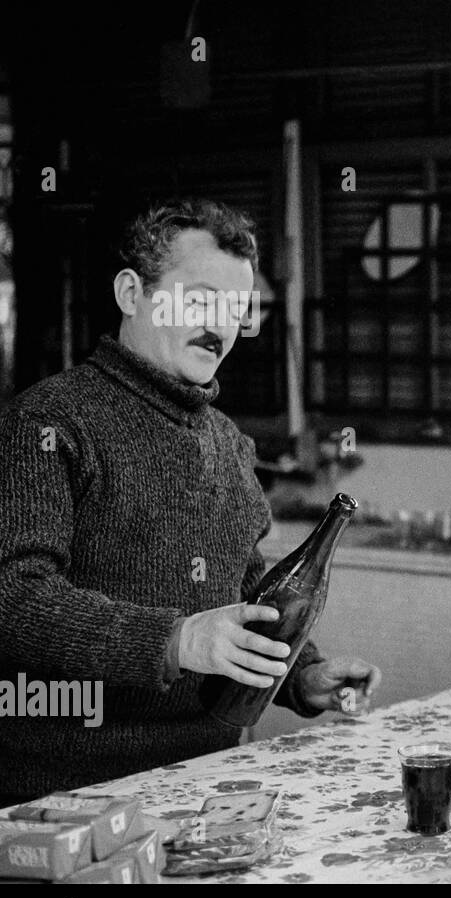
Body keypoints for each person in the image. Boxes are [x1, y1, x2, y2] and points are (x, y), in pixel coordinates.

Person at [0, 199, 381, 805]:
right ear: (131, 292)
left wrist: (301, 674)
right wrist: (173, 641)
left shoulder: (229, 443)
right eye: (199, 300)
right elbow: (13, 599)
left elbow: (250, 594)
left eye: (235, 309)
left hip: (206, 788)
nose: (220, 327)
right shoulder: (49, 422)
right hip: (66, 799)